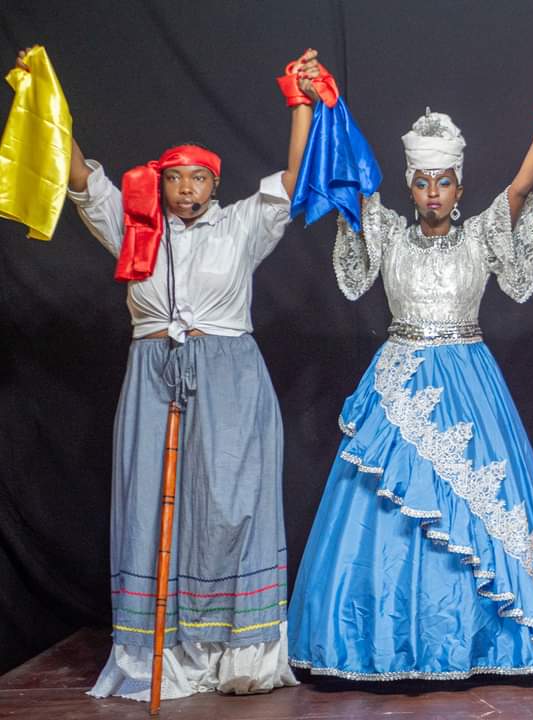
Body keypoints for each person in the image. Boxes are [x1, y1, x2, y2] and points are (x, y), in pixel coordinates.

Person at [13, 47, 323, 700]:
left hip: (230, 376)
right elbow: (78, 179)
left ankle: (239, 651)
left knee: (228, 508)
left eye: (198, 179)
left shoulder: (239, 228)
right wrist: (47, 93)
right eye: (176, 177)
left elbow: (294, 182)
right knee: (155, 507)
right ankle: (162, 650)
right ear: (162, 183)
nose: (186, 189)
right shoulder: (135, 231)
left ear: (215, 186)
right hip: (154, 373)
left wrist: (300, 104)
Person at [286, 108, 533, 680]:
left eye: (444, 181)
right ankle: (383, 643)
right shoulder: (384, 231)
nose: (433, 193)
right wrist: (318, 104)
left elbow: (523, 185)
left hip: (467, 383)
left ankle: (484, 642)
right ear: (410, 186)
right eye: (423, 182)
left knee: (480, 509)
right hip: (401, 379)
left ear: (459, 185)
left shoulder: (481, 233)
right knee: (390, 508)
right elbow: (343, 174)